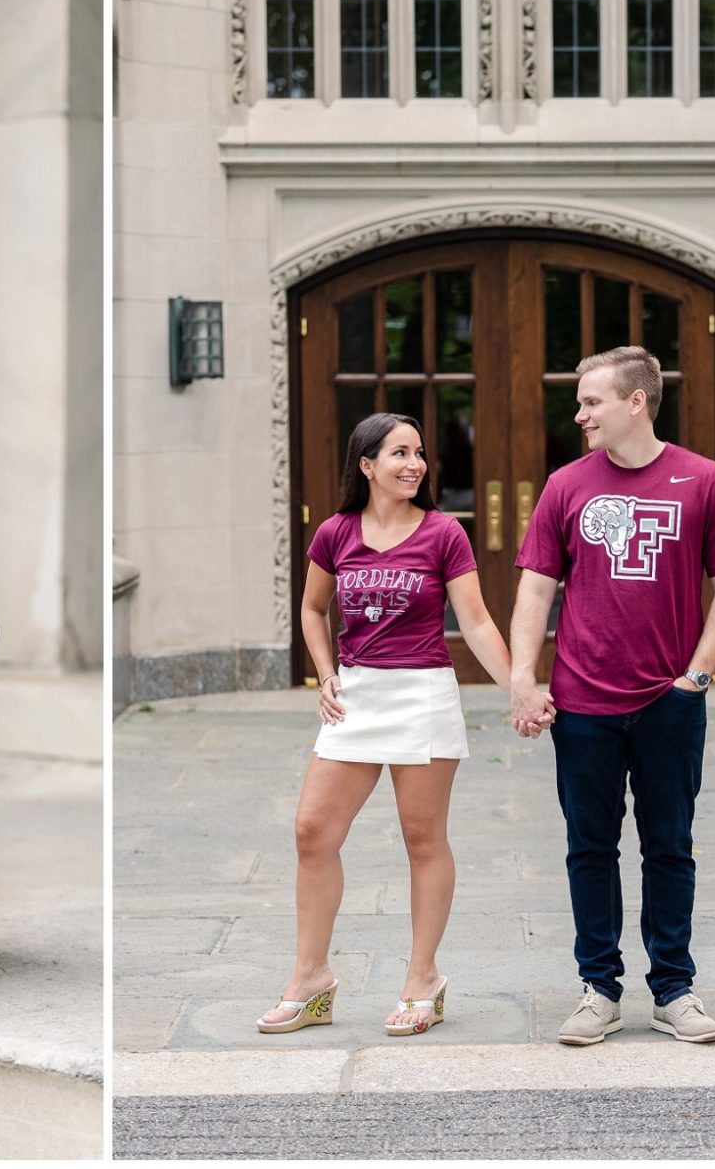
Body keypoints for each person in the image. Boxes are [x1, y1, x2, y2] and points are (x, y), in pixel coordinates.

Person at [257, 413, 541, 1037]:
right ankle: (310, 979)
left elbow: (476, 622)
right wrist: (325, 673)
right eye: (399, 454)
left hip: (422, 697)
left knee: (423, 839)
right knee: (312, 831)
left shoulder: (444, 534)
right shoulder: (335, 532)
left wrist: (521, 688)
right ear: (366, 465)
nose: (414, 464)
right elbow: (311, 608)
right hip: (355, 698)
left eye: (418, 453)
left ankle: (423, 978)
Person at [508, 345, 715, 1046]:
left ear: (635, 402)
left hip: (668, 701)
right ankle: (599, 990)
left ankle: (674, 989)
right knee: (589, 846)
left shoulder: (702, 480)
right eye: (581, 402)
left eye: (592, 401)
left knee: (669, 845)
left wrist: (697, 676)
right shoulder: (566, 484)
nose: (580, 413)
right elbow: (535, 585)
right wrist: (524, 676)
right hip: (582, 700)